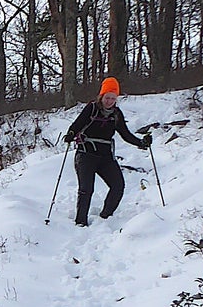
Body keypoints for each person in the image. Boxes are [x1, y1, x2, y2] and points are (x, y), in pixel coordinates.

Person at [64, 77, 152, 226]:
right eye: (107, 97)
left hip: (105, 157)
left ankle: (105, 217)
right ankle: (81, 222)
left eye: (113, 98)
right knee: (86, 189)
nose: (109, 101)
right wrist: (71, 134)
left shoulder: (116, 114)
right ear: (101, 96)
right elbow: (78, 124)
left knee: (118, 186)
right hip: (85, 154)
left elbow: (125, 134)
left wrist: (141, 143)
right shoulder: (91, 108)